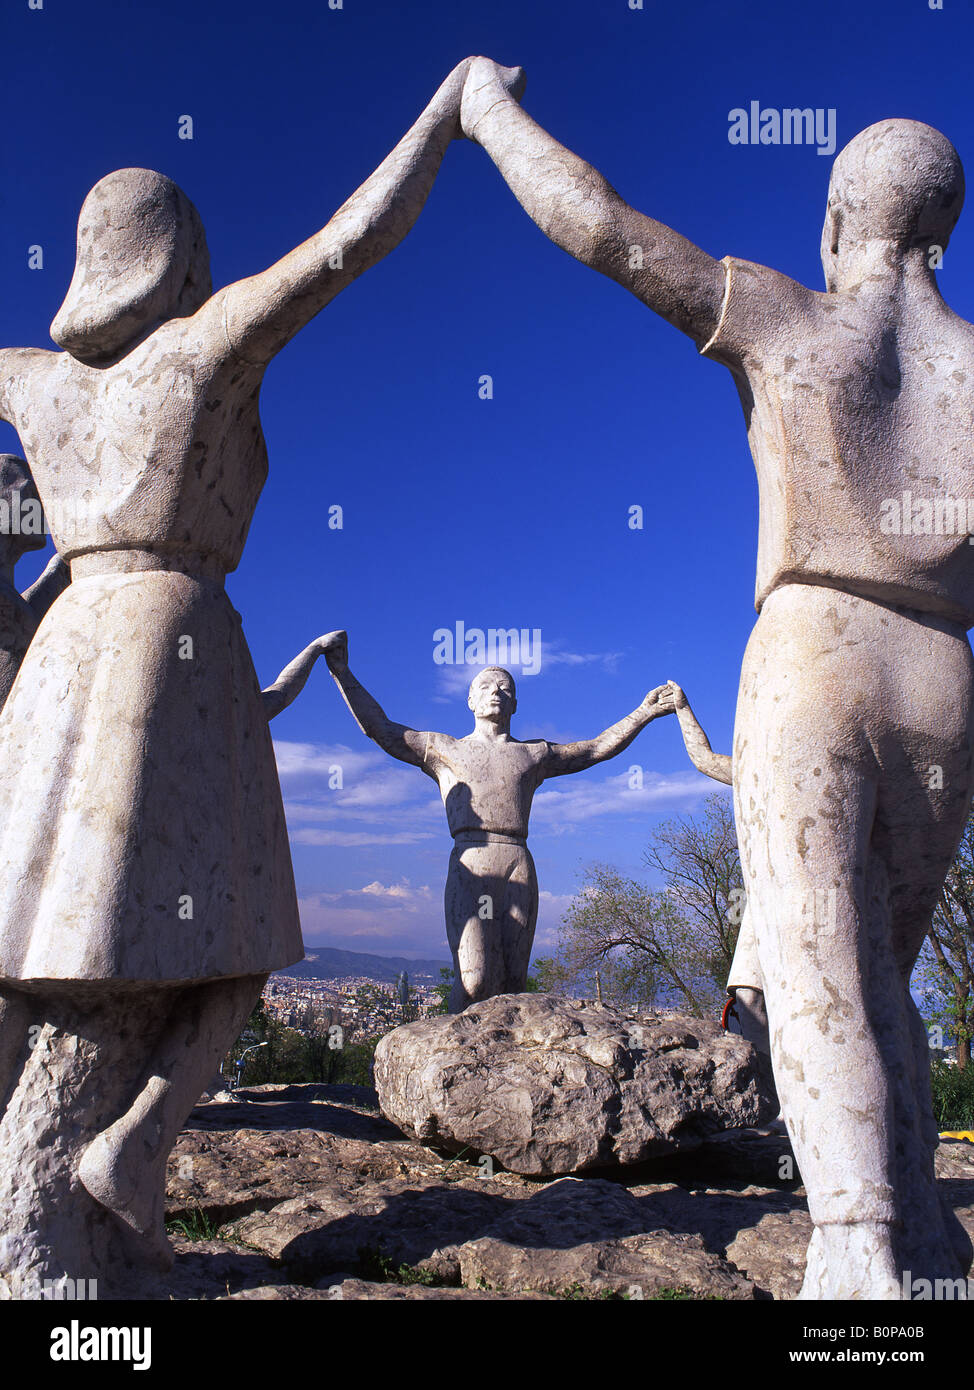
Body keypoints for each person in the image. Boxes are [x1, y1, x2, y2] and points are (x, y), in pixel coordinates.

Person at [460, 56, 974, 1296]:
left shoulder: (786, 318)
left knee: (811, 972)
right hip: (944, 677)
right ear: (944, 235)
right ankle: (921, 1234)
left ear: (836, 221)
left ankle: (856, 1258)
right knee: (883, 986)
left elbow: (598, 225)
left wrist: (489, 114)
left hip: (813, 654)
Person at [0, 58, 492, 1288]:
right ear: (180, 259)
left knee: (49, 934)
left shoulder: (34, 382)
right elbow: (345, 242)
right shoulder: (202, 349)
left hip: (62, 651)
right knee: (233, 935)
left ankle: (83, 1197)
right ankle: (118, 1160)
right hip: (171, 653)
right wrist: (447, 110)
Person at [321, 630, 675, 1012]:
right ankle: (451, 1051)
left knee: (511, 981)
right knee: (474, 980)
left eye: (505, 688)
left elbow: (594, 749)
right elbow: (381, 729)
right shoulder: (444, 749)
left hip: (517, 861)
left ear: (515, 704)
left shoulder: (533, 753)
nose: (496, 692)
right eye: (486, 686)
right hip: (471, 860)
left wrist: (645, 712)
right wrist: (342, 672)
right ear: (469, 700)